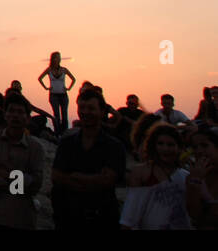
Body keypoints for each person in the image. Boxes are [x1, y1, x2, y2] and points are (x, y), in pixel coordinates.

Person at [51, 89, 126, 230]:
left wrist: (74, 176)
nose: (85, 112)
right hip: (68, 217)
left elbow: (108, 180)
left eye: (91, 108)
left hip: (102, 218)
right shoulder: (67, 143)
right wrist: (94, 179)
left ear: (102, 112)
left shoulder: (114, 146)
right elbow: (56, 177)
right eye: (82, 108)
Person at [0, 92, 45, 229]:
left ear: (27, 118)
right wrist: (19, 181)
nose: (15, 115)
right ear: (5, 114)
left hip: (21, 216)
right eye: (11, 111)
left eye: (20, 112)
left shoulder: (36, 148)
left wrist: (7, 174)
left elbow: (35, 185)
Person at [120, 123, 191, 230]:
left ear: (179, 147)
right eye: (160, 144)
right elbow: (130, 214)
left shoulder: (185, 176)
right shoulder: (142, 172)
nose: (165, 149)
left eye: (170, 144)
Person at [185, 126, 218, 230]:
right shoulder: (193, 176)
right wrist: (196, 182)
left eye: (204, 146)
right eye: (195, 147)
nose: (199, 151)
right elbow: (195, 215)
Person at [37, 51, 74, 136]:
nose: (59, 59)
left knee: (64, 115)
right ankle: (57, 133)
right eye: (57, 57)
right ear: (53, 59)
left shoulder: (64, 69)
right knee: (56, 115)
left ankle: (65, 133)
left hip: (63, 94)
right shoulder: (49, 70)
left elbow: (73, 79)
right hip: (53, 95)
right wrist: (46, 87)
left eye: (59, 57)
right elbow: (40, 78)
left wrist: (68, 88)